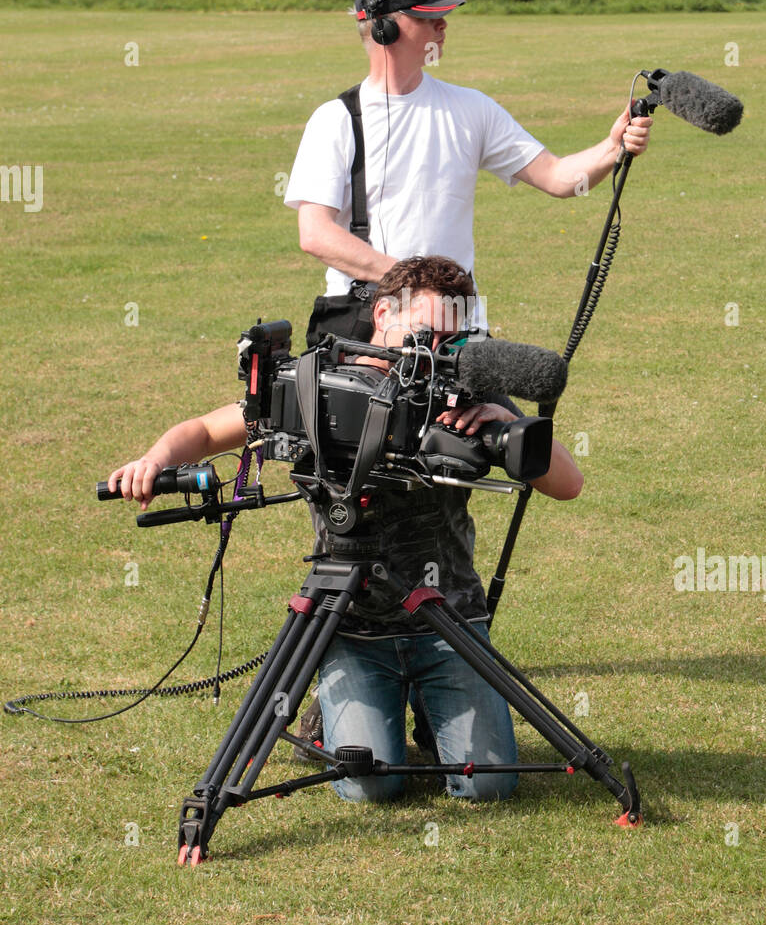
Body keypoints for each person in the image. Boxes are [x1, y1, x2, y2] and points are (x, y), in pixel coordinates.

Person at [106, 255, 583, 804]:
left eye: (454, 339)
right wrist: (152, 460)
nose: (437, 353)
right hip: (352, 625)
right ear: (383, 312)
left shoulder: (465, 386)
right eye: (426, 333)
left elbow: (569, 484)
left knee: (490, 786)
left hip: (447, 618)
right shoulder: (317, 382)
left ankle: (433, 708)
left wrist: (511, 424)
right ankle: (333, 715)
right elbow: (206, 430)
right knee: (366, 787)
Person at [285, 0, 653, 333]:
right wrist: (412, 283)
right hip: (368, 326)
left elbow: (559, 178)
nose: (443, 25)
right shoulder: (337, 119)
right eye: (429, 18)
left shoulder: (472, 108)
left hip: (459, 329)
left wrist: (612, 145)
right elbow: (316, 233)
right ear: (385, 28)